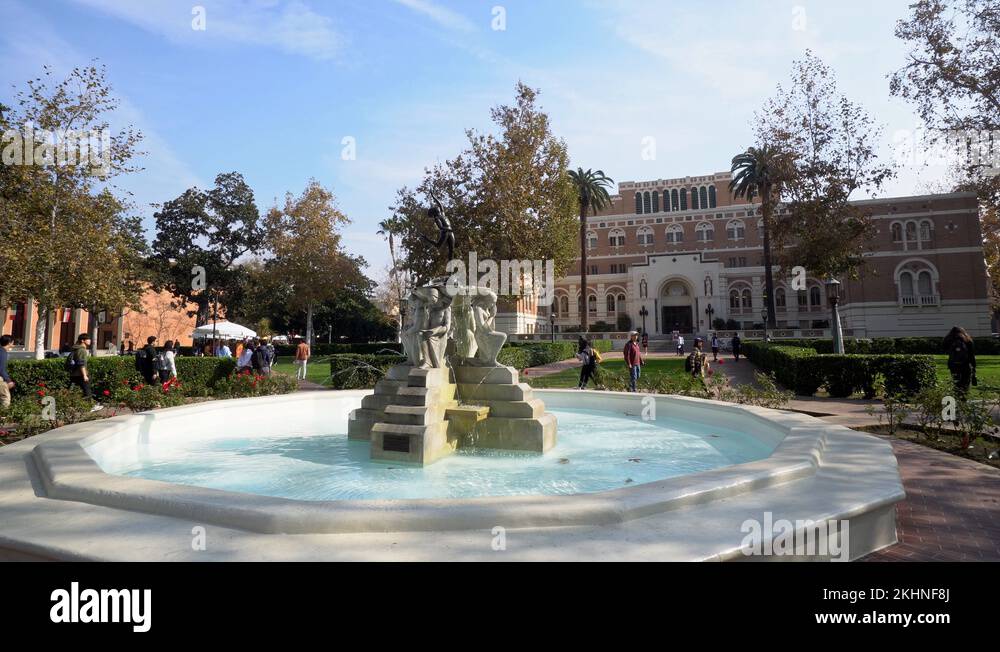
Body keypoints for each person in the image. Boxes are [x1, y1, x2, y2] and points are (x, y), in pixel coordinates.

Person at [943, 326, 976, 397]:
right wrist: (974, 367)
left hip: (953, 364)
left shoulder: (948, 340)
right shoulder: (967, 340)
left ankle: (957, 397)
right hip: (965, 364)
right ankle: (963, 398)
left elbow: (944, 350)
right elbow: (971, 355)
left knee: (956, 382)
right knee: (965, 383)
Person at [67, 333, 94, 400]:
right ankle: (91, 406)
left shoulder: (76, 348)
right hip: (80, 374)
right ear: (82, 340)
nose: (90, 340)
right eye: (88, 339)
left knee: (70, 391)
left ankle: (66, 403)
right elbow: (81, 363)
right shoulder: (82, 350)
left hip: (74, 373)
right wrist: (84, 375)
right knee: (87, 392)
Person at [0, 335, 14, 409]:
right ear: (9, 343)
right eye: (12, 342)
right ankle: (3, 417)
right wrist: (8, 380)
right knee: (5, 398)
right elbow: (1, 368)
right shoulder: (3, 352)